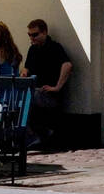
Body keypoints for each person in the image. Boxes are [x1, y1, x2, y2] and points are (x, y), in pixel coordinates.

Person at [23, 19, 72, 148]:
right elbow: (26, 67)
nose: (31, 38)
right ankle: (36, 133)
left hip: (48, 95)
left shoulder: (55, 48)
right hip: (35, 91)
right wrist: (24, 73)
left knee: (27, 98)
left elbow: (67, 65)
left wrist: (57, 87)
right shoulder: (32, 50)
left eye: (35, 35)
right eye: (29, 35)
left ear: (44, 32)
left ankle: (33, 135)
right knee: (20, 98)